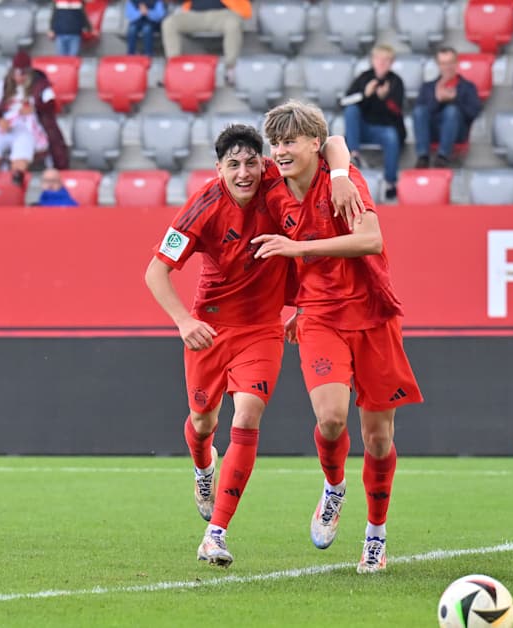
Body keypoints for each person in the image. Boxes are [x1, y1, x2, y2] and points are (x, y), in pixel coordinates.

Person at [144, 125, 359, 569]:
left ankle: (215, 534)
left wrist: (303, 304)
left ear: (262, 163)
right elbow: (155, 272)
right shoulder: (203, 204)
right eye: (232, 165)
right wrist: (184, 321)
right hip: (210, 328)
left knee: (247, 414)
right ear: (218, 168)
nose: (244, 174)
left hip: (263, 329)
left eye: (250, 163)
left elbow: (334, 143)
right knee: (203, 422)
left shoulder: (277, 186)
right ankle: (204, 467)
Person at [253, 100, 423, 574]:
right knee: (330, 420)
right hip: (321, 318)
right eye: (277, 143)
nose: (281, 151)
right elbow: (331, 142)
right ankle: (333, 489)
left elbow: (372, 240)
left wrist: (342, 175)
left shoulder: (341, 184)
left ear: (313, 146)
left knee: (377, 438)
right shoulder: (273, 187)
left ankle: (375, 534)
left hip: (373, 317)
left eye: (290, 142)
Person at [0, 50, 70, 187]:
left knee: (23, 144)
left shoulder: (40, 85)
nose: (19, 78)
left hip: (28, 126)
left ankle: (18, 173)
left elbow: (51, 105)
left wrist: (35, 108)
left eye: (23, 74)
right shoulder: (5, 85)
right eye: (16, 74)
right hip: (7, 125)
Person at [341, 44, 406, 201]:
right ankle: (353, 154)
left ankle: (391, 182)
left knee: (391, 136)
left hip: (383, 128)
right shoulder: (364, 78)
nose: (382, 63)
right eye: (379, 59)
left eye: (386, 60)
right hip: (361, 128)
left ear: (392, 62)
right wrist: (365, 94)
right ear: (372, 60)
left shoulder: (396, 82)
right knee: (351, 111)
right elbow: (345, 101)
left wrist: (385, 99)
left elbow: (397, 111)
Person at [412, 46, 482, 168]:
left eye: (450, 63)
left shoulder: (468, 87)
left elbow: (473, 113)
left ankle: (442, 156)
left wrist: (455, 100)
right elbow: (419, 115)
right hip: (432, 131)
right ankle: (423, 156)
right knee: (419, 111)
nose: (447, 67)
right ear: (438, 65)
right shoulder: (428, 87)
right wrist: (437, 100)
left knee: (451, 111)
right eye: (443, 63)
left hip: (457, 132)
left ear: (456, 63)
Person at [161, 0, 251, 85]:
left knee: (233, 24)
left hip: (222, 14)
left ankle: (231, 68)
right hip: (194, 14)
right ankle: (174, 69)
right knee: (169, 23)